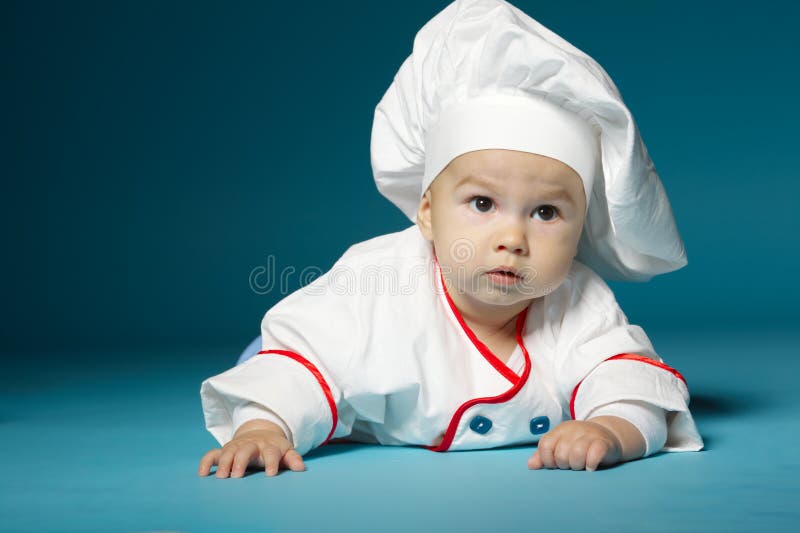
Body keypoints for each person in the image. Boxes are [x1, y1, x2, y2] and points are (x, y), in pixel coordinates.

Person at [198, 0, 704, 479]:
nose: (512, 238)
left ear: (580, 232)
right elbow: (307, 366)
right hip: (362, 400)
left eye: (546, 212)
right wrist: (265, 426)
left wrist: (610, 428)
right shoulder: (379, 284)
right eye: (482, 204)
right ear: (428, 214)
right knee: (293, 370)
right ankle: (257, 359)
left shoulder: (580, 302)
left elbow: (628, 381)